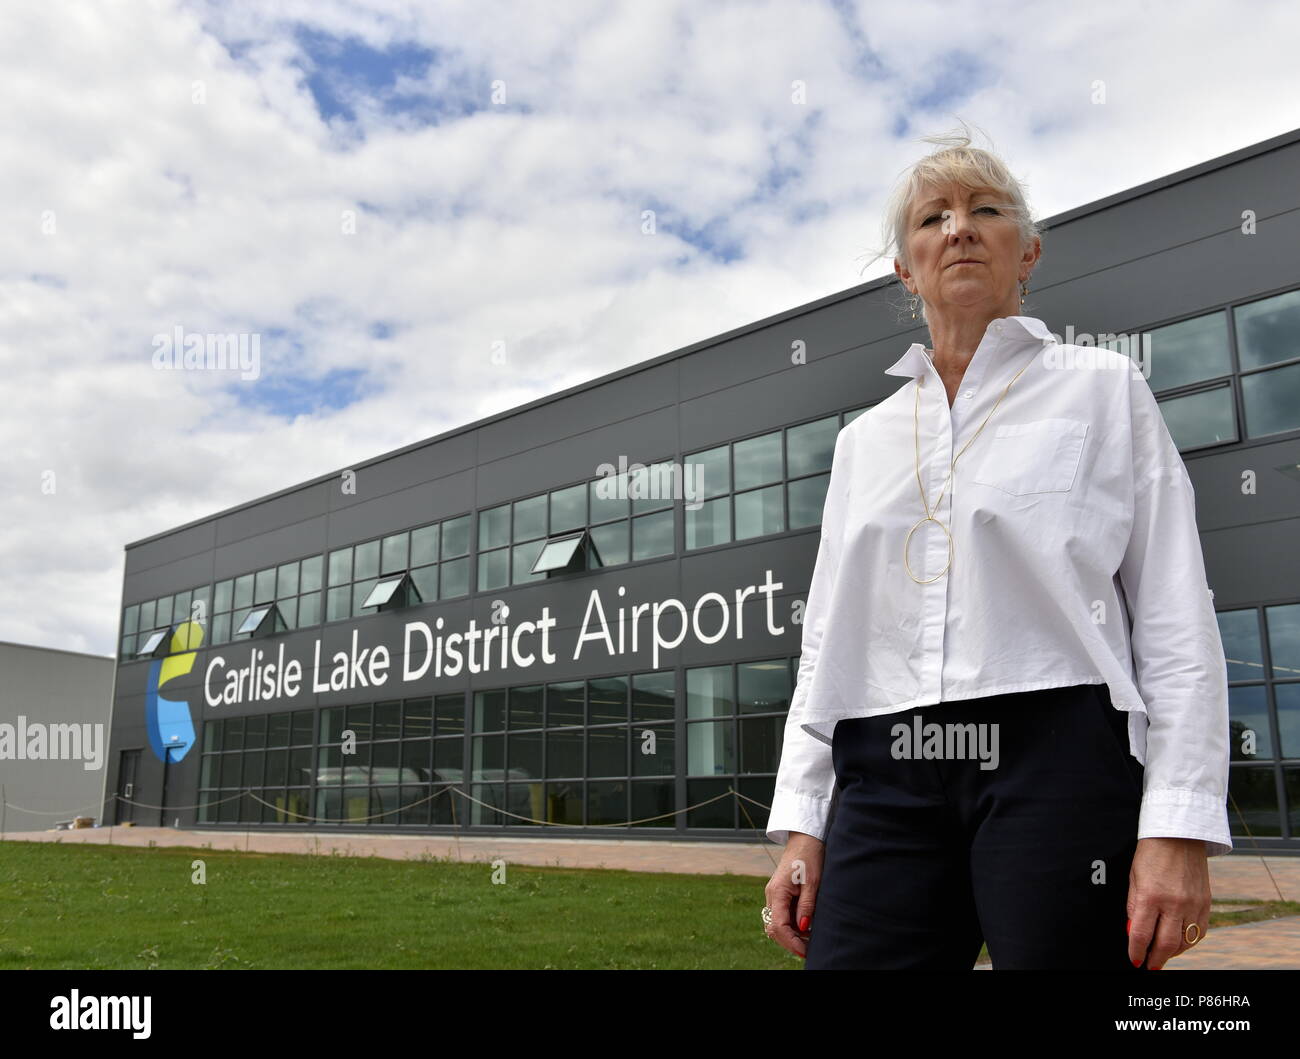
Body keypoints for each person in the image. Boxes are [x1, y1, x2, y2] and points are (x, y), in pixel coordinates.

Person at [762, 125, 1231, 970]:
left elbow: (1172, 607)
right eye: (932, 216)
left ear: (1029, 253)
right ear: (906, 268)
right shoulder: (862, 442)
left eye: (987, 209)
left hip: (1056, 760)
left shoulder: (1103, 389)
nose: (959, 227)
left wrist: (1176, 824)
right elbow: (827, 638)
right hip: (885, 765)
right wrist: (804, 821)